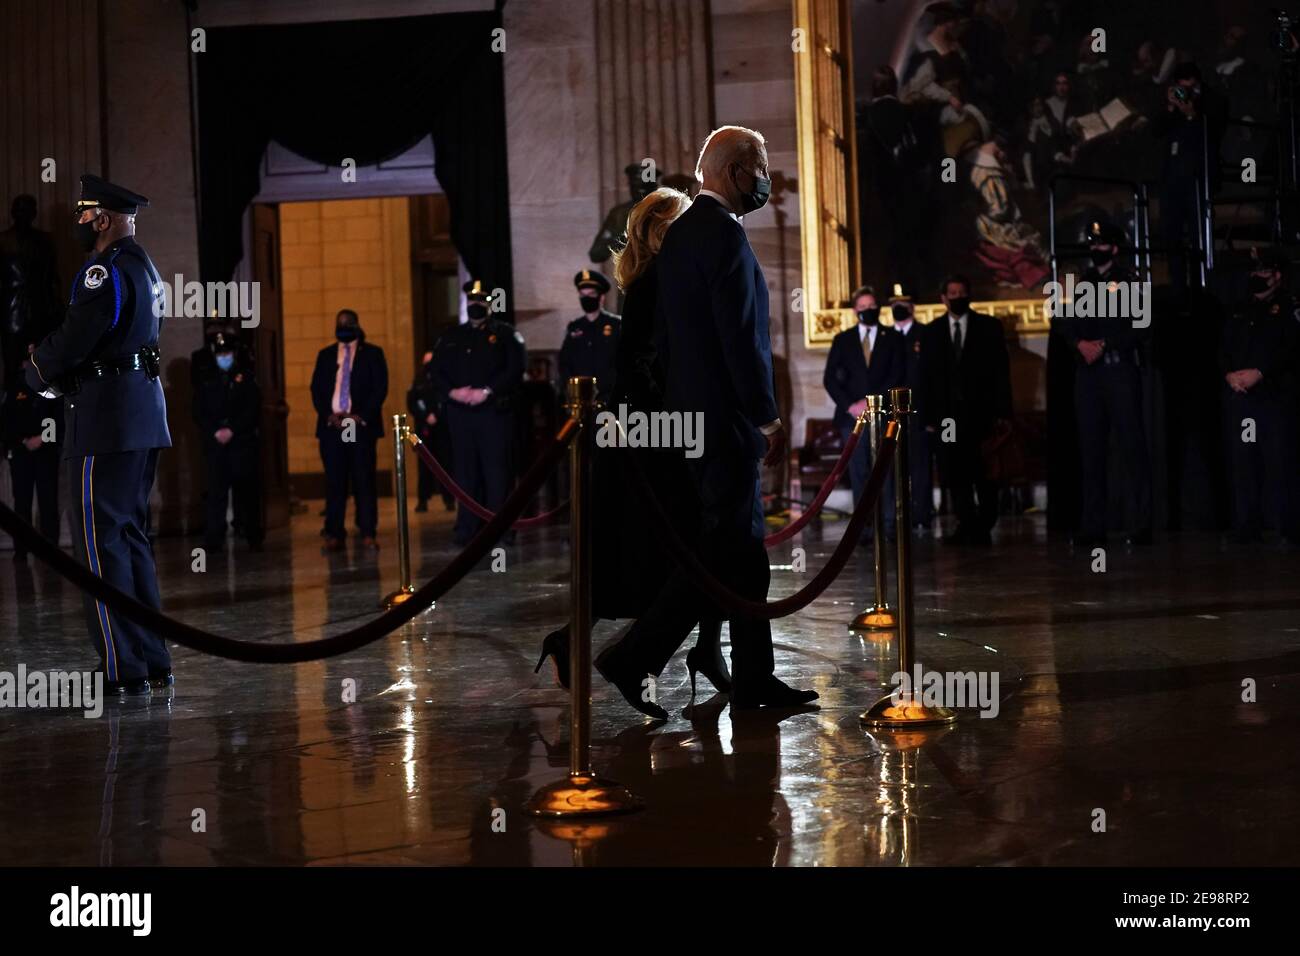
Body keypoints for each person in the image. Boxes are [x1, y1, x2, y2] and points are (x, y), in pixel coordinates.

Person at [595, 125, 817, 713]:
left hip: (690, 421)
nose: (766, 179)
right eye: (761, 167)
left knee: (743, 556)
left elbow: (669, 341)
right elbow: (740, 340)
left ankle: (754, 678)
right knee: (723, 552)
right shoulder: (722, 234)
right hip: (724, 424)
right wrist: (767, 420)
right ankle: (635, 656)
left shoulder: (684, 235)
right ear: (737, 170)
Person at [534, 187, 730, 708]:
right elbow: (636, 367)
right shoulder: (654, 282)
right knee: (665, 550)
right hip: (652, 438)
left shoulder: (667, 278)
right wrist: (674, 416)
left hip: (659, 432)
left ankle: (705, 648)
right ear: (660, 232)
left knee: (672, 550)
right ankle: (624, 650)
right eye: (680, 225)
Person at [25, 174, 172, 697]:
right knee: (130, 539)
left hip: (104, 421)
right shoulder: (145, 266)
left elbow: (77, 338)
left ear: (103, 218)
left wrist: (36, 371)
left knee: (99, 544)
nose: (80, 224)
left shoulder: (101, 271)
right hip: (141, 416)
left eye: (84, 215)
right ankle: (151, 658)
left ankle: (121, 666)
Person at [1063, 220, 1152, 547]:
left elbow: (1142, 325)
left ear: (1114, 248)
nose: (1095, 248)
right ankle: (1093, 526)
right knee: (1091, 450)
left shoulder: (1130, 281)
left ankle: (1140, 524)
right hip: (1088, 375)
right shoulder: (1080, 282)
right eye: (1092, 243)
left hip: (1119, 370)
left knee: (1131, 448)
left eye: (1101, 244)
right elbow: (1064, 321)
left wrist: (1105, 344)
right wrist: (1078, 344)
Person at [431, 280, 525, 546]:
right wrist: (452, 392)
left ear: (490, 303)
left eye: (481, 300)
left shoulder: (505, 334)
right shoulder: (451, 336)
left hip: (493, 413)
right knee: (465, 473)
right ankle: (467, 528)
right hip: (460, 414)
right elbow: (436, 371)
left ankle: (501, 529)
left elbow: (515, 368)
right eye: (471, 300)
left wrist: (487, 391)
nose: (476, 305)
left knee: (497, 473)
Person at [922, 273, 1012, 545]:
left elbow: (1001, 372)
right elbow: (925, 377)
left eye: (962, 293)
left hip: (981, 414)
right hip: (947, 418)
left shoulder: (989, 327)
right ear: (943, 298)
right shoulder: (932, 332)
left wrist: (1003, 413)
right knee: (954, 470)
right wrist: (927, 417)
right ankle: (966, 522)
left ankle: (985, 523)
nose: (958, 298)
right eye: (953, 294)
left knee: (983, 470)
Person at [1219, 250, 1300, 543]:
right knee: (1245, 459)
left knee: (1280, 460)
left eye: (1263, 271)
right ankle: (1247, 526)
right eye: (1254, 271)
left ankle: (1288, 527)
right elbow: (1223, 347)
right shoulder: (1240, 309)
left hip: (1275, 398)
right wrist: (1229, 374)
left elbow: (1291, 349)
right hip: (1245, 400)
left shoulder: (1290, 308)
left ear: (1277, 275)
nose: (1256, 277)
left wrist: (1262, 372)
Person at [822, 284, 905, 542]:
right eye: (863, 307)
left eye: (872, 306)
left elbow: (897, 374)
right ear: (854, 311)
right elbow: (830, 379)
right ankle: (863, 528)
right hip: (852, 418)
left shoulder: (893, 338)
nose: (868, 310)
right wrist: (851, 405)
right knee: (859, 473)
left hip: (884, 414)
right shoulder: (843, 339)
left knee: (886, 471)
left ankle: (889, 526)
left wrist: (873, 403)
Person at [310, 309, 388, 553]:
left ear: (356, 325)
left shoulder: (373, 354)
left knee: (363, 478)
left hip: (358, 426)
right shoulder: (325, 355)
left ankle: (367, 531)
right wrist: (328, 415)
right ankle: (334, 533)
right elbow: (316, 389)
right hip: (333, 427)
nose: (343, 327)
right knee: (335, 481)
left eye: (347, 323)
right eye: (339, 323)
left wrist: (361, 415)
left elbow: (380, 388)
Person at [192, 329, 263, 553]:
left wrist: (232, 429)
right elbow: (199, 411)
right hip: (216, 445)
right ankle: (214, 538)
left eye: (227, 353)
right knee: (216, 493)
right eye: (220, 353)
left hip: (241, 443)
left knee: (247, 492)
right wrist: (215, 431)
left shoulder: (246, 377)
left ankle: (252, 534)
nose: (224, 357)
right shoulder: (206, 378)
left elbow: (252, 409)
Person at [2, 341, 62, 558]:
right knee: (22, 504)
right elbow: (8, 420)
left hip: (45, 452)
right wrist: (22, 441)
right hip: (21, 452)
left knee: (48, 503)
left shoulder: (51, 385)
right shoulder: (14, 386)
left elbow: (56, 416)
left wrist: (43, 439)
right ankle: (21, 551)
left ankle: (52, 552)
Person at [0, 195, 61, 390]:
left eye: (27, 210)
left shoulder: (44, 241)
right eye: (20, 210)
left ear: (34, 213)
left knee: (41, 368)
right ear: (13, 213)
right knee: (12, 369)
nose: (23, 215)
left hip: (40, 313)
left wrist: (57, 312)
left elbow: (52, 279)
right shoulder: (3, 241)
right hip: (12, 315)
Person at [888, 285, 934, 531]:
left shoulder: (925, 334)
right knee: (891, 467)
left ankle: (921, 515)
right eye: (894, 304)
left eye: (903, 304)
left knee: (920, 467)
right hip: (891, 413)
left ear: (912, 307)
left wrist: (932, 417)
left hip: (919, 413)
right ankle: (895, 515)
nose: (899, 308)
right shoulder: (885, 336)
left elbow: (933, 377)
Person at [557, 269, 620, 401]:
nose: (586, 298)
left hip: (609, 397)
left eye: (591, 294)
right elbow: (564, 362)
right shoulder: (574, 327)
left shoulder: (616, 325)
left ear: (601, 297)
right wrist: (571, 388)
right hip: (580, 398)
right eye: (583, 294)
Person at [406, 350, 454, 513]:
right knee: (424, 467)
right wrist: (425, 416)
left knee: (445, 466)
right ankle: (422, 501)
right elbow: (411, 403)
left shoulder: (444, 380)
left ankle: (449, 500)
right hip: (423, 429)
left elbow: (448, 401)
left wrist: (437, 416)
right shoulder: (417, 381)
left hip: (442, 430)